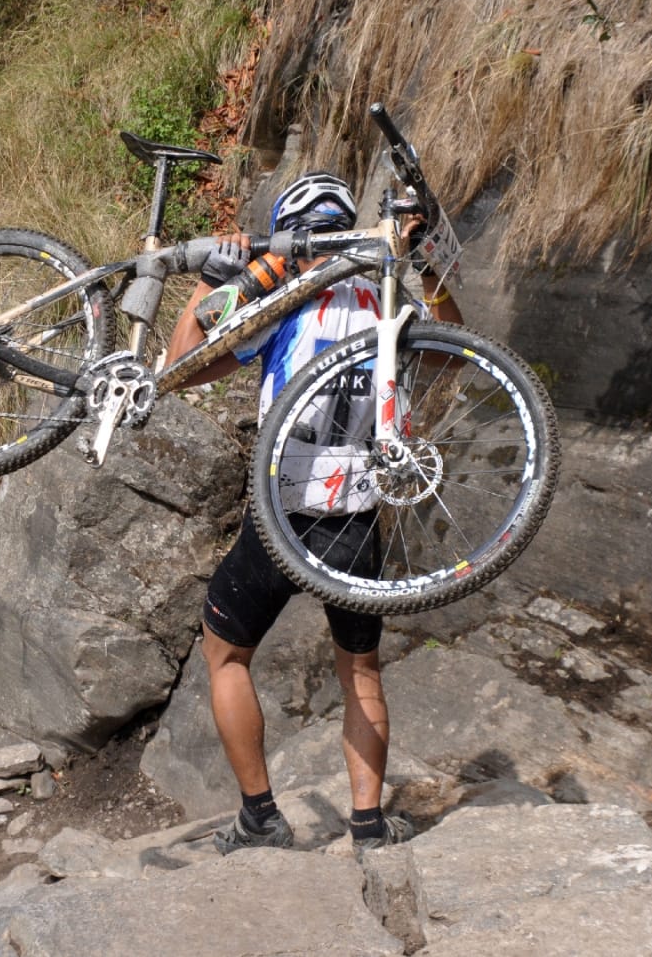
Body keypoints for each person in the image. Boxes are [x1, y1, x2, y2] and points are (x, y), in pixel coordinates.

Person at [164, 170, 460, 856]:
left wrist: (211, 280)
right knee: (359, 669)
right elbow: (458, 354)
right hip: (356, 513)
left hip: (281, 512)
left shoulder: (283, 299)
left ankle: (260, 815)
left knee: (226, 652)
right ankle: (366, 825)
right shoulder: (388, 298)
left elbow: (180, 364)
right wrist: (423, 260)